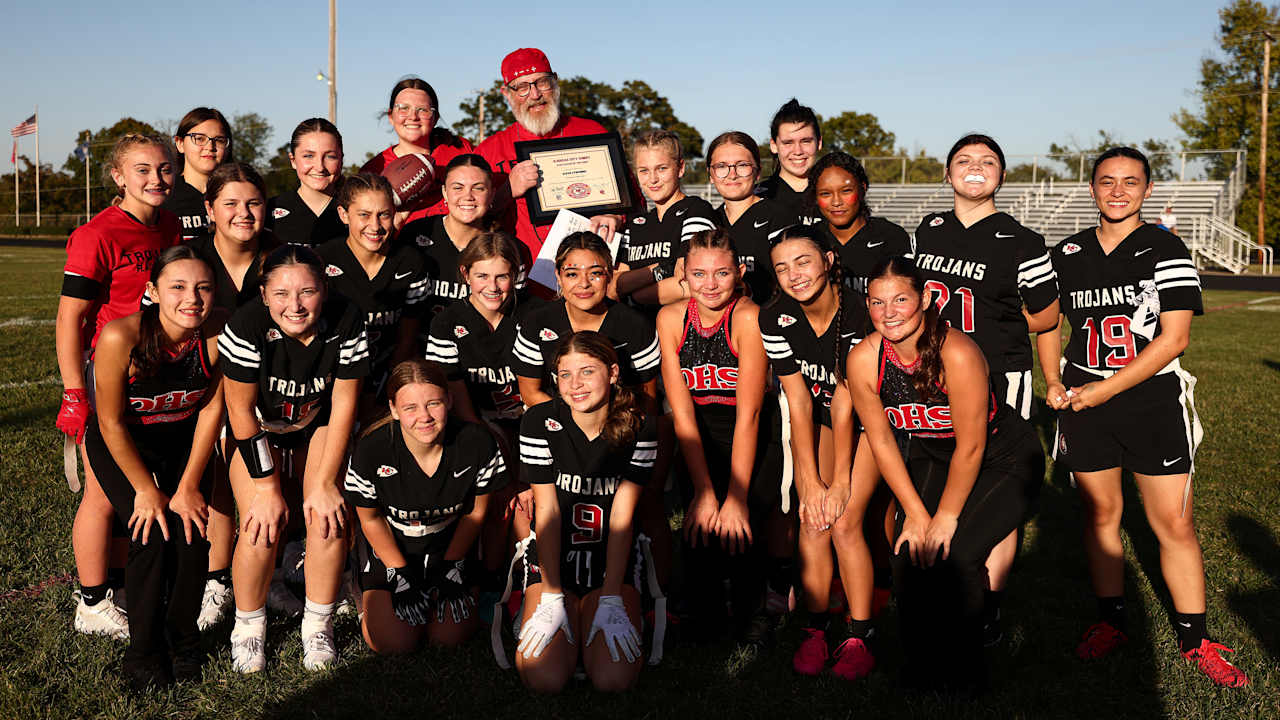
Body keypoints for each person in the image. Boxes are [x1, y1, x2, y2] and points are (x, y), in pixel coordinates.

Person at [1040, 147, 1247, 687]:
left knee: (1172, 524)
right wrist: (1055, 380)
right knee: (1100, 518)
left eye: (1130, 181)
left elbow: (1174, 338)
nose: (1117, 190)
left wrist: (1102, 390)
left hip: (1149, 400)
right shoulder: (1067, 251)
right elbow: (1043, 324)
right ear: (1091, 188)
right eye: (1107, 181)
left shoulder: (1165, 246)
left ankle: (1194, 636)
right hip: (1084, 400)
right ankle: (1111, 623)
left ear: (1147, 190)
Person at [845, 255, 1043, 692]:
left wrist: (945, 516)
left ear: (927, 299)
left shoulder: (957, 351)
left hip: (1004, 457)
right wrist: (914, 514)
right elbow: (880, 442)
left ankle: (967, 672)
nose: (889, 312)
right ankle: (919, 666)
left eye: (900, 299)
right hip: (933, 455)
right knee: (908, 552)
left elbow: (972, 446)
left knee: (957, 552)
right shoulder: (863, 359)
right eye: (877, 303)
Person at [912, 134, 1060, 642]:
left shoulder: (1022, 240)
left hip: (1000, 373)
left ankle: (989, 604)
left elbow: (1045, 315)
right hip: (934, 374)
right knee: (944, 470)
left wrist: (996, 328)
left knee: (995, 482)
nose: (976, 168)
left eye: (988, 161)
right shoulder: (928, 230)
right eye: (964, 160)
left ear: (1002, 174)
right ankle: (943, 584)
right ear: (947, 172)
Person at [217, 244, 370, 672]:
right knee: (260, 521)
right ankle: (248, 626)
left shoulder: (346, 318)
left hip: (315, 427)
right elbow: (241, 411)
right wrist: (266, 488)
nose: (295, 305)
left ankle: (317, 624)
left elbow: (343, 406)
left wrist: (323, 484)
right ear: (263, 294)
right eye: (281, 294)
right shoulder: (245, 323)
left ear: (325, 288)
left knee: (327, 514)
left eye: (307, 292)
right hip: (258, 430)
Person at [84, 246, 224, 690]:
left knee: (191, 529)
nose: (192, 298)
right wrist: (146, 489)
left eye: (203, 287)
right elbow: (109, 421)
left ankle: (183, 639)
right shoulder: (120, 337)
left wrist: (187, 486)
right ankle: (143, 651)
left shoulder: (219, 334)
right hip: (123, 443)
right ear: (152, 291)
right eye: (178, 287)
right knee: (147, 530)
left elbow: (210, 412)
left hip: (183, 441)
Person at [58, 133, 181, 640]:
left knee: (142, 481)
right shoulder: (97, 233)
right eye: (143, 170)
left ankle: (120, 584)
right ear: (118, 176)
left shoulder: (171, 225)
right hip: (108, 373)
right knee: (104, 493)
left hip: (156, 372)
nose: (156, 180)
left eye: (165, 170)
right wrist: (73, 390)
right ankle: (90, 601)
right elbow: (70, 320)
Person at [656, 228, 784, 650]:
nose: (710, 284)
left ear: (740, 272)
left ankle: (753, 611)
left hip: (750, 437)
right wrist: (706, 491)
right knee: (699, 528)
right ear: (684, 275)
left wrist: (736, 495)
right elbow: (682, 413)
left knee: (744, 528)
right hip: (700, 438)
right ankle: (701, 610)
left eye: (722, 273)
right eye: (699, 274)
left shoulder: (748, 317)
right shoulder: (671, 318)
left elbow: (749, 414)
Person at [759, 226, 878, 679]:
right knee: (813, 514)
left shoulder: (861, 312)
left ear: (829, 260)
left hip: (877, 421)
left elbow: (852, 401)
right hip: (826, 417)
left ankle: (861, 633)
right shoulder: (775, 317)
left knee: (844, 517)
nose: (794, 275)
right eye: (782, 267)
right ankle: (815, 626)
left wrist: (840, 480)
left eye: (803, 261)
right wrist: (808, 480)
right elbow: (799, 400)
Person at [514, 331, 657, 692]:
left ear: (612, 373)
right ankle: (553, 609)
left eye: (587, 372)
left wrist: (610, 596)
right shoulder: (539, 421)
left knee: (614, 680)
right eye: (565, 374)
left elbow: (622, 517)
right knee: (544, 679)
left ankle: (595, 609)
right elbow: (545, 510)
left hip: (611, 560)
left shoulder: (640, 424)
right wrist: (550, 594)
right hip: (554, 557)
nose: (575, 385)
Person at [344, 359, 506, 653]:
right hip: (394, 546)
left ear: (450, 400)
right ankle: (361, 585)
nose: (425, 417)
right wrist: (399, 571)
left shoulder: (477, 442)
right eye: (410, 408)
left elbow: (477, 512)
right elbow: (370, 518)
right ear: (393, 409)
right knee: (392, 642)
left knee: (447, 638)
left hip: (448, 545)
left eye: (434, 404)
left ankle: (479, 584)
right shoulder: (371, 449)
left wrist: (453, 565)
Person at [188, 162, 278, 631]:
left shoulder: (282, 257)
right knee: (217, 485)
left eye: (253, 203)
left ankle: (268, 573)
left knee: (265, 489)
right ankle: (217, 578)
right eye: (231, 203)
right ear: (209, 209)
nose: (243, 213)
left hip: (272, 392)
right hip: (204, 391)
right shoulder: (189, 259)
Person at [476, 48, 637, 258]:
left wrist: (615, 216)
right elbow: (469, 221)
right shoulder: (489, 151)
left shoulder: (592, 133)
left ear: (555, 82)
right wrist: (507, 191)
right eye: (522, 87)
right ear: (506, 94)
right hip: (522, 280)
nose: (535, 95)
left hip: (589, 276)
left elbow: (636, 200)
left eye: (542, 82)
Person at [317, 173, 431, 405]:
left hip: (386, 378)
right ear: (343, 214)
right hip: (331, 382)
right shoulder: (322, 261)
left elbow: (407, 339)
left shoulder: (410, 262)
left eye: (384, 215)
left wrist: (385, 388)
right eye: (364, 215)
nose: (375, 226)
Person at [512, 232, 659, 408]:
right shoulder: (537, 321)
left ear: (610, 275)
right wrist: (576, 427)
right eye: (572, 274)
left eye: (595, 273)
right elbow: (530, 393)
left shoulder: (635, 325)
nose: (584, 284)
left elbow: (647, 400)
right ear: (558, 276)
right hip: (556, 425)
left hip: (620, 425)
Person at [400, 154, 520, 316]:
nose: (468, 196)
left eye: (478, 188)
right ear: (444, 192)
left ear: (491, 194)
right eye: (458, 187)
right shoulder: (415, 234)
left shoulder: (506, 248)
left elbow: (516, 313)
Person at [614, 129, 718, 312]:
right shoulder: (636, 222)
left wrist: (637, 295)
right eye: (644, 171)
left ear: (681, 168)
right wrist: (662, 268)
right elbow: (616, 286)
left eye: (662, 169)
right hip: (639, 331)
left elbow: (688, 282)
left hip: (682, 328)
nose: (653, 179)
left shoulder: (696, 209)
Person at [359, 77, 474, 227]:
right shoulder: (374, 170)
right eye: (403, 108)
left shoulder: (458, 149)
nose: (413, 117)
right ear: (390, 116)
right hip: (403, 248)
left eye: (423, 110)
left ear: (435, 118)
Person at [707, 131, 802, 303]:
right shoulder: (708, 221)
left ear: (757, 171)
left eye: (742, 165)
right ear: (711, 175)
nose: (732, 174)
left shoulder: (779, 217)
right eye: (721, 166)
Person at [808, 152, 912, 299]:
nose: (836, 202)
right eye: (825, 194)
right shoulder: (809, 240)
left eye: (846, 191)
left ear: (862, 188)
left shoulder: (890, 236)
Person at [266, 119, 347, 248]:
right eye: (309, 156)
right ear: (293, 160)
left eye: (330, 156)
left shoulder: (356, 212)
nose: (320, 167)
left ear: (341, 160)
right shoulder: (267, 211)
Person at [164, 108, 232, 241]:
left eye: (219, 140)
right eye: (199, 139)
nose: (210, 147)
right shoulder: (164, 195)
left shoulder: (239, 195)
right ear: (180, 143)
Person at [754, 99, 822, 223]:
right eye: (788, 143)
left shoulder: (834, 196)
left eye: (806, 141)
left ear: (819, 143)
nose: (798, 151)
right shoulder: (756, 197)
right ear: (774, 146)